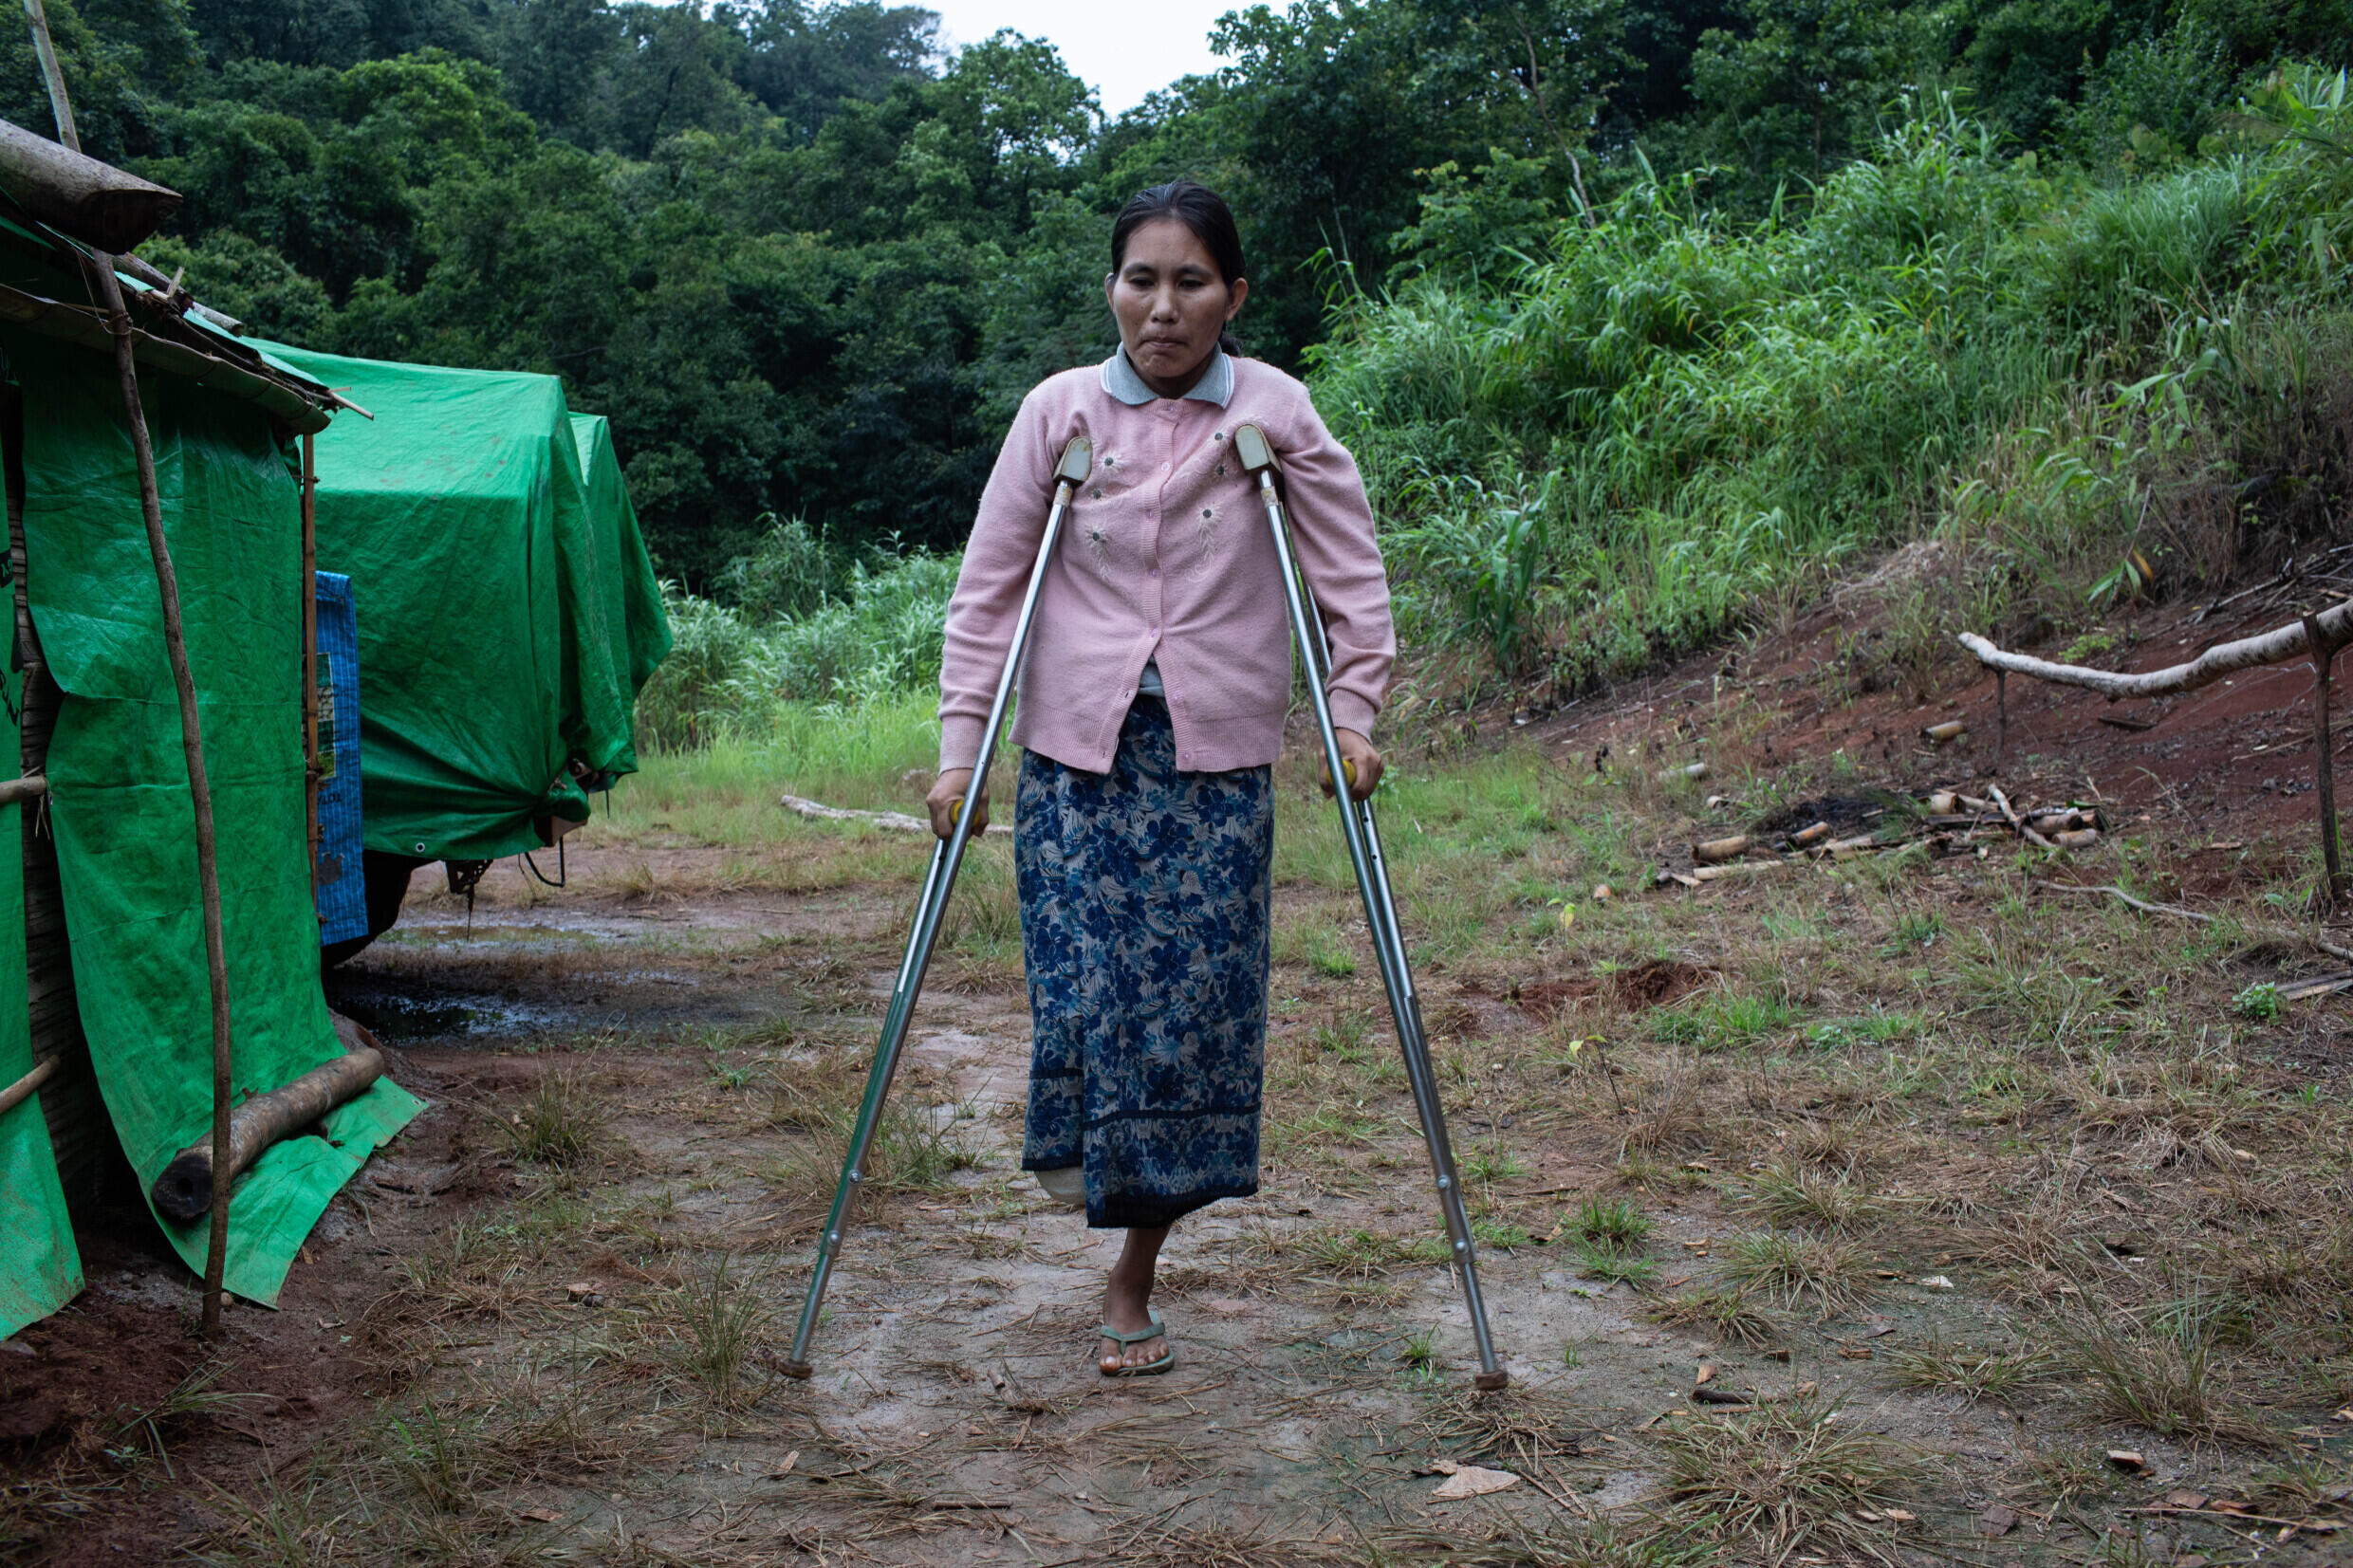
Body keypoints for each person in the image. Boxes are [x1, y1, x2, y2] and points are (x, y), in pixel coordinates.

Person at [930, 179, 1394, 1377]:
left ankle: (1130, 1274)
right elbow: (988, 592)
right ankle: (1099, 1193)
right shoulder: (1058, 412)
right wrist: (957, 748)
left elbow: (1349, 581)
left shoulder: (1278, 413)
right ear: (1111, 289)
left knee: (1185, 1026)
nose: (1163, 306)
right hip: (1076, 766)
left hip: (1213, 765)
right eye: (1141, 278)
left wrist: (1353, 714)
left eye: (1192, 281)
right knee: (1089, 1009)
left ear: (1233, 297)